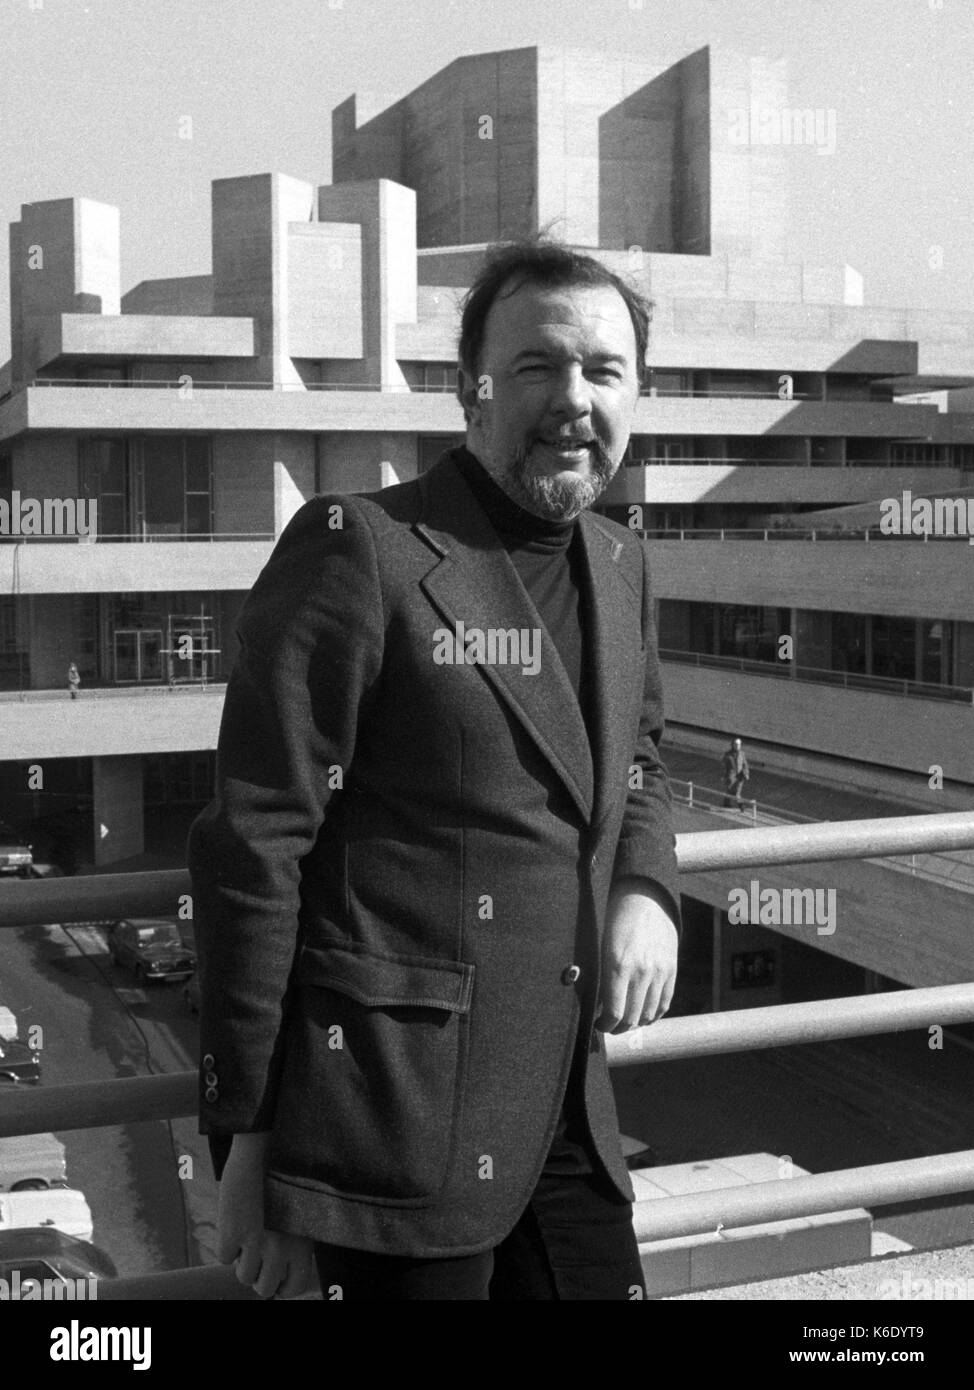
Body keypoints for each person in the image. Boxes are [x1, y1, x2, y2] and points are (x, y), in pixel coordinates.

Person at [187, 239, 682, 1302]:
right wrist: (250, 1136)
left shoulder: (622, 559)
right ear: (471, 389)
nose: (572, 400)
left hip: (566, 1124)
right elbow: (255, 844)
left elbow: (637, 759)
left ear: (636, 393)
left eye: (603, 371)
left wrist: (645, 886)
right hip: (389, 1141)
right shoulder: (359, 545)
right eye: (537, 367)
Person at [722, 735, 750, 809]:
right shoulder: (728, 754)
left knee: (737, 791)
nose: (737, 746)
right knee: (729, 790)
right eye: (736, 744)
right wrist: (724, 776)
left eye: (739, 744)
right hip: (731, 776)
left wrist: (746, 773)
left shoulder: (742, 754)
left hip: (740, 776)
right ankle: (726, 803)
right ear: (733, 745)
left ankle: (741, 805)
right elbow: (724, 766)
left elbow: (745, 764)